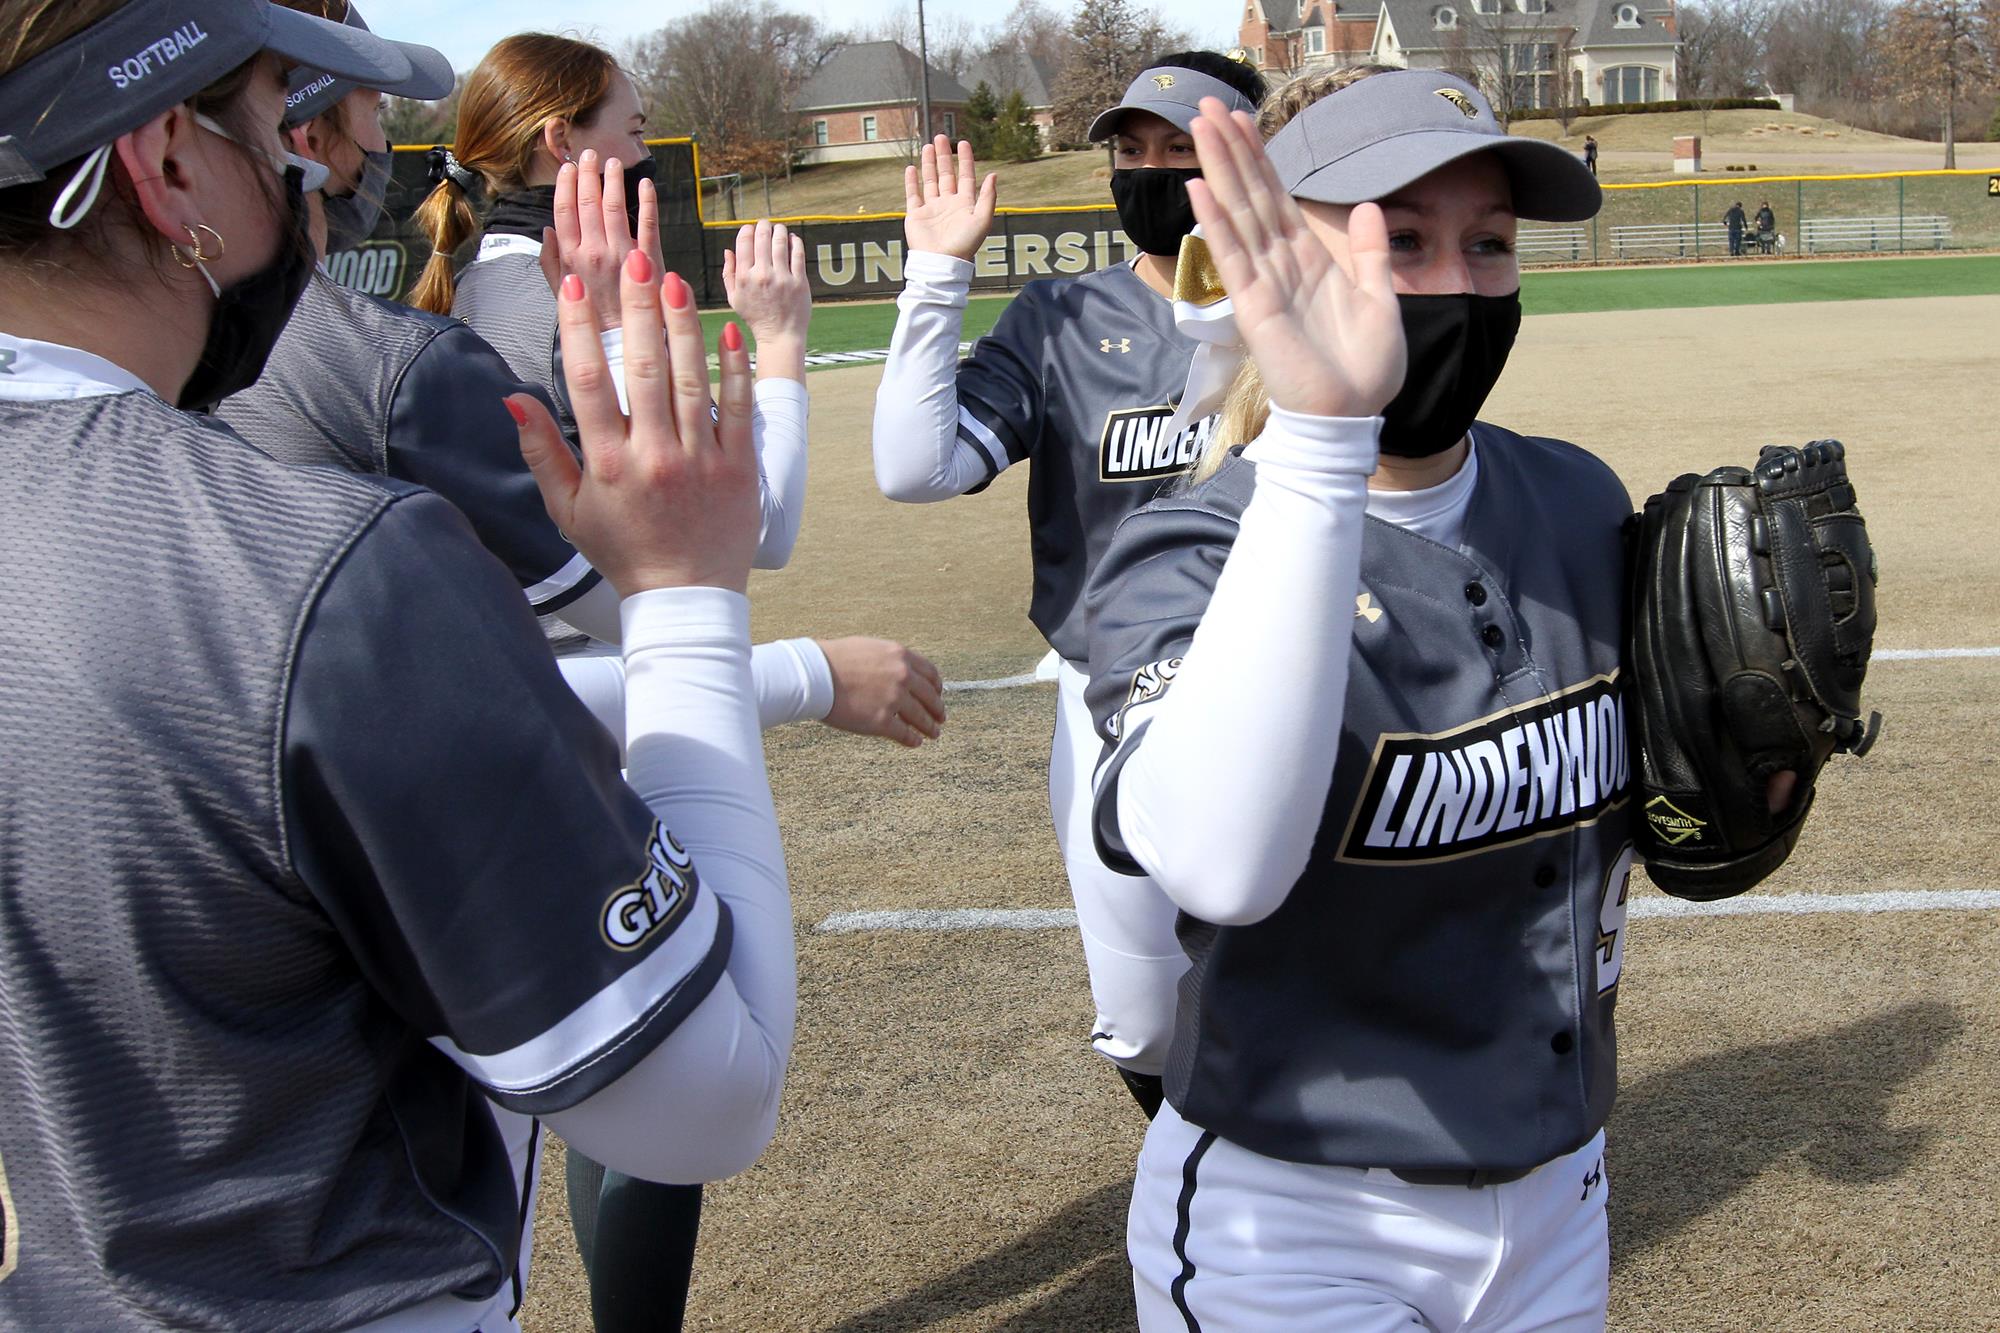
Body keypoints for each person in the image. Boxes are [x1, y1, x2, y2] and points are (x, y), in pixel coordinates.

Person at [0, 3, 798, 1329]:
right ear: (169, 162)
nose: (312, 164)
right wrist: (684, 602)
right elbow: (704, 1099)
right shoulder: (331, 567)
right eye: (275, 119)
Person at [208, 13, 946, 1328]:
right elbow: (716, 554)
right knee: (644, 1065)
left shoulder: (362, 325)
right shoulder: (448, 344)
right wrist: (778, 348)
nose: (377, 145)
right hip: (537, 766)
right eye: (631, 128)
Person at [1083, 66, 1634, 1329]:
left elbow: (1654, 820)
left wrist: (1743, 786)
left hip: (1559, 1192)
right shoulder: (1186, 554)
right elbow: (1219, 868)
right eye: (1399, 240)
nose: (1456, 284)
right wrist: (1325, 429)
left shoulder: (1576, 501)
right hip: (1292, 1221)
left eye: (1487, 243)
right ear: (1277, 255)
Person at [872, 52, 1267, 1122]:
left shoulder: (1307, 306)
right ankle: (1202, 1164)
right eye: (1132, 150)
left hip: (1292, 678)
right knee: (1143, 1018)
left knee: (1308, 963)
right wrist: (936, 274)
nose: (1150, 170)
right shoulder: (1060, 317)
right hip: (1114, 696)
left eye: (1180, 148)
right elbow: (914, 468)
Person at [413, 33, 811, 652]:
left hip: (508, 657)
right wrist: (781, 337)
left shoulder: (461, 290)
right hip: (607, 668)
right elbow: (763, 528)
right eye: (635, 131)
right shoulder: (583, 310)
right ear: (562, 142)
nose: (644, 153)